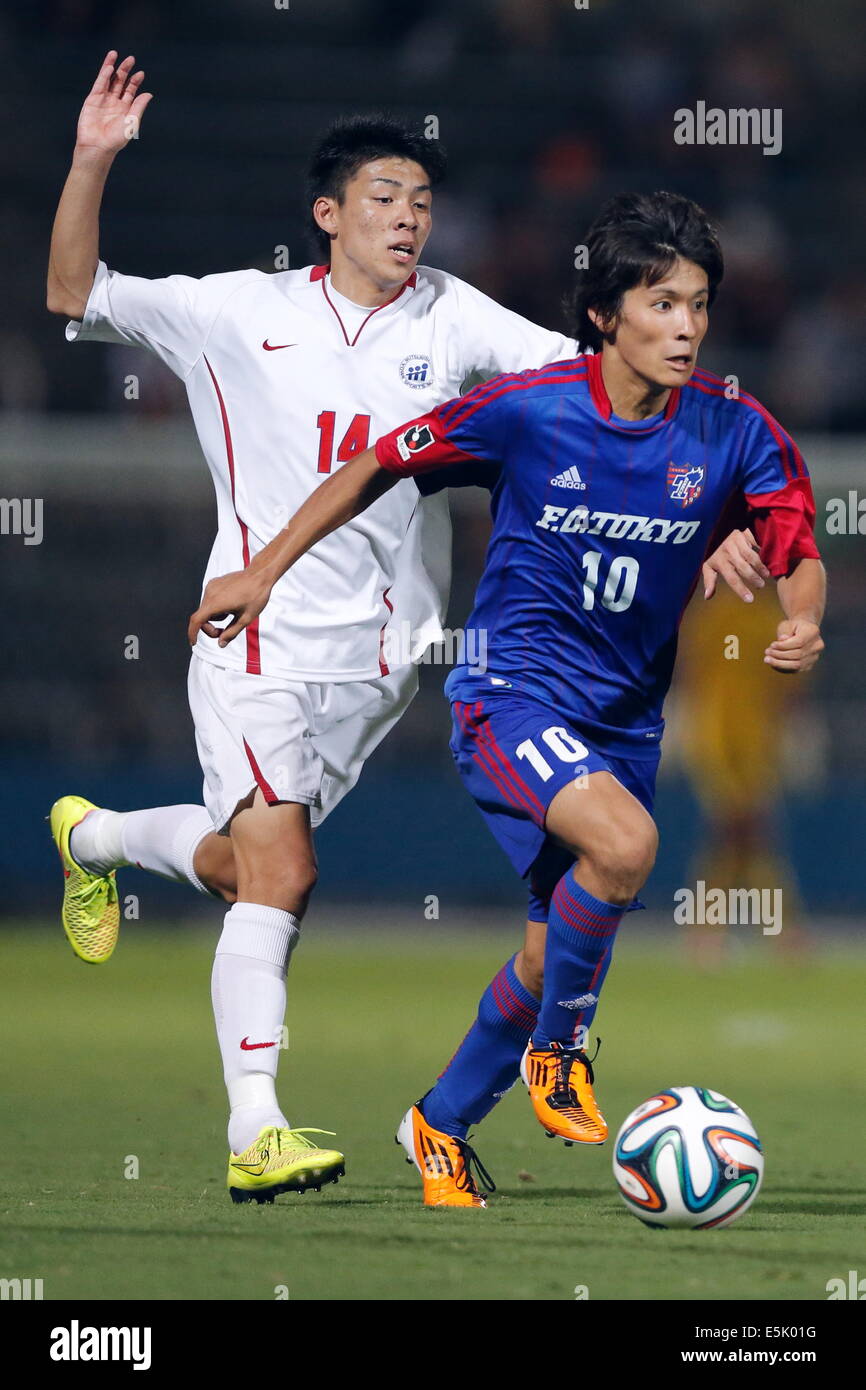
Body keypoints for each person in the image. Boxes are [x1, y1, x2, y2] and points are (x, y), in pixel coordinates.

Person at [188, 190, 826, 1208]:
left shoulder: (731, 429)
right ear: (604, 314)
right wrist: (262, 570)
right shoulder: (531, 407)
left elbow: (796, 545)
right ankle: (560, 1054)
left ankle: (436, 1123)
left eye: (698, 304)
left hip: (623, 721)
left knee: (546, 947)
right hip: (509, 694)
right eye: (661, 303)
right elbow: (374, 464)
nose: (686, 326)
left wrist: (801, 616)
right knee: (621, 849)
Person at [46, 49, 597, 1204]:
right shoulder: (231, 310)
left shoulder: (454, 319)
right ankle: (257, 1131)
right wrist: (94, 157)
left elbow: (588, 380)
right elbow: (75, 292)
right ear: (327, 214)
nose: (409, 218)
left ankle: (93, 837)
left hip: (381, 666)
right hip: (252, 636)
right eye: (386, 199)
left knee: (243, 865)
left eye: (422, 201)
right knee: (284, 868)